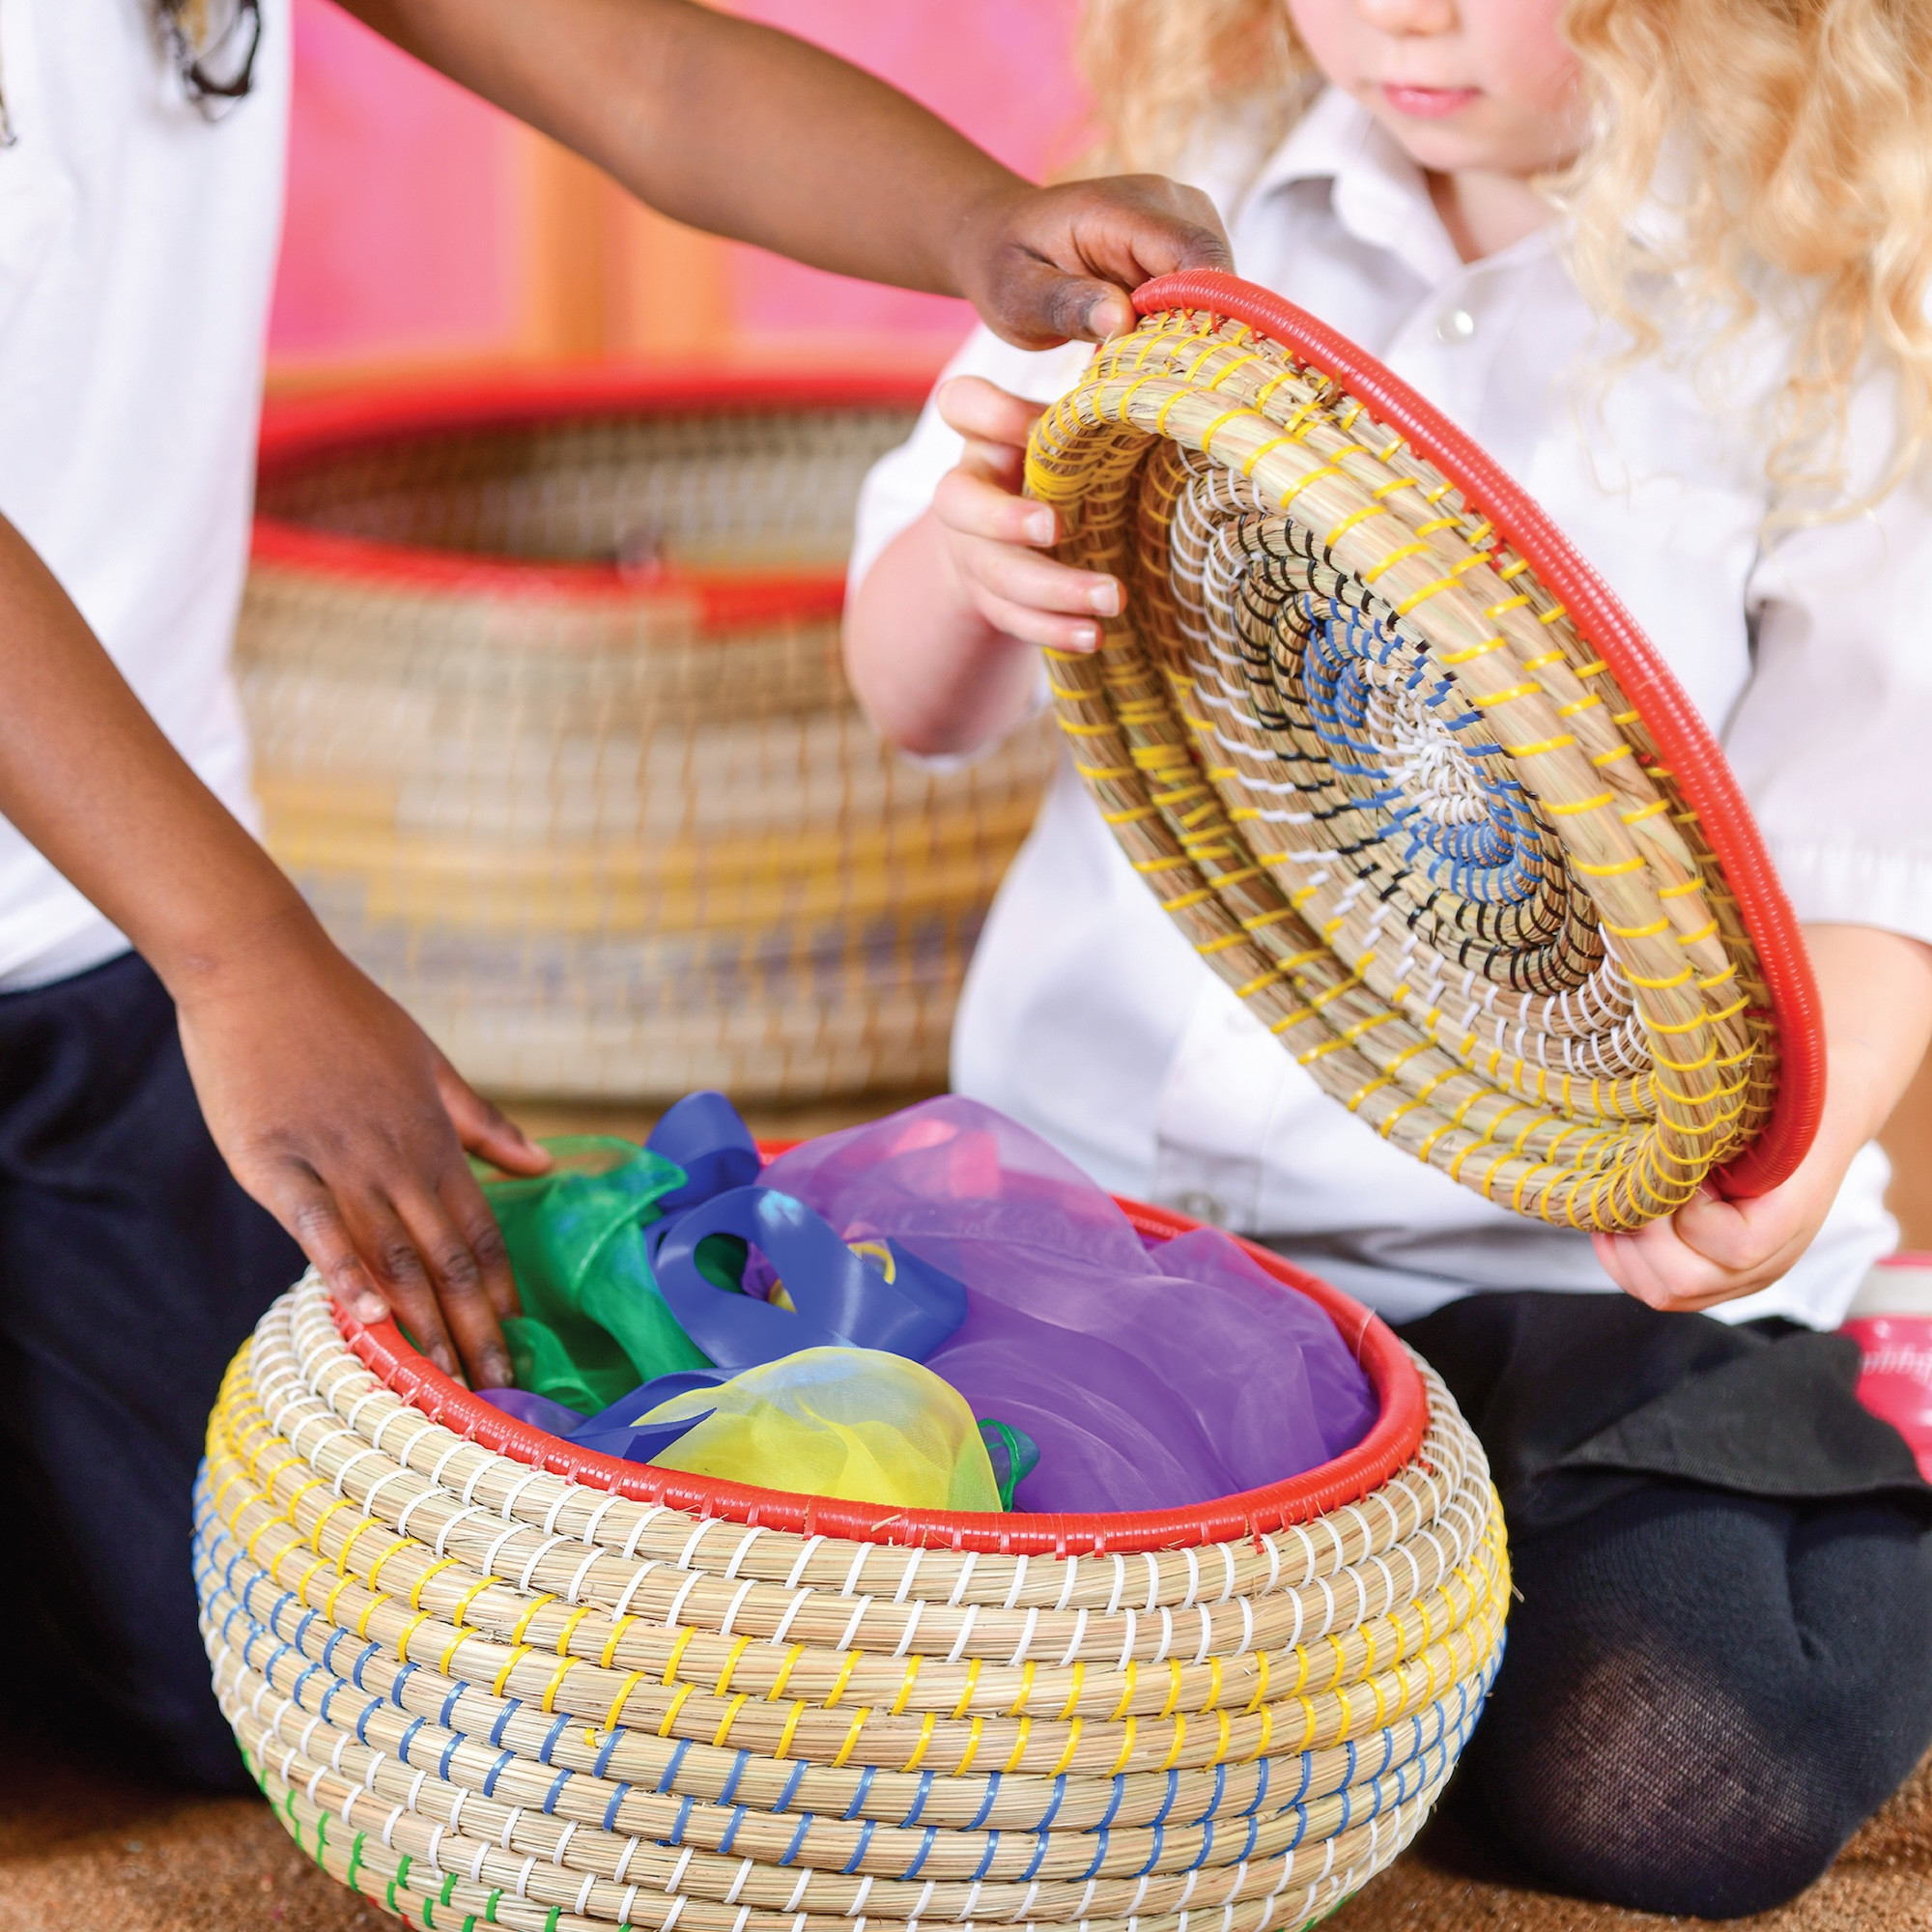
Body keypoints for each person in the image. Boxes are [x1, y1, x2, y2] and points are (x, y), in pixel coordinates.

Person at [0, 0, 1230, 1788]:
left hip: (86, 955)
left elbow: (650, 72)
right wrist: (245, 951)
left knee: (261, 1657)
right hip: (179, 933)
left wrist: (983, 226)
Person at [844, 0, 1932, 1916]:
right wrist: (970, 560)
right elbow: (911, 702)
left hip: (1555, 1292)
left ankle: (1480, 1582)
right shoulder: (1158, 242)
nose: (1403, 14)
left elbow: (1874, 852)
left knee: (1694, 1769)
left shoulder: (1836, 306)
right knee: (877, 1670)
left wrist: (1781, 1172)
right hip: (1095, 1241)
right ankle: (1367, 1640)